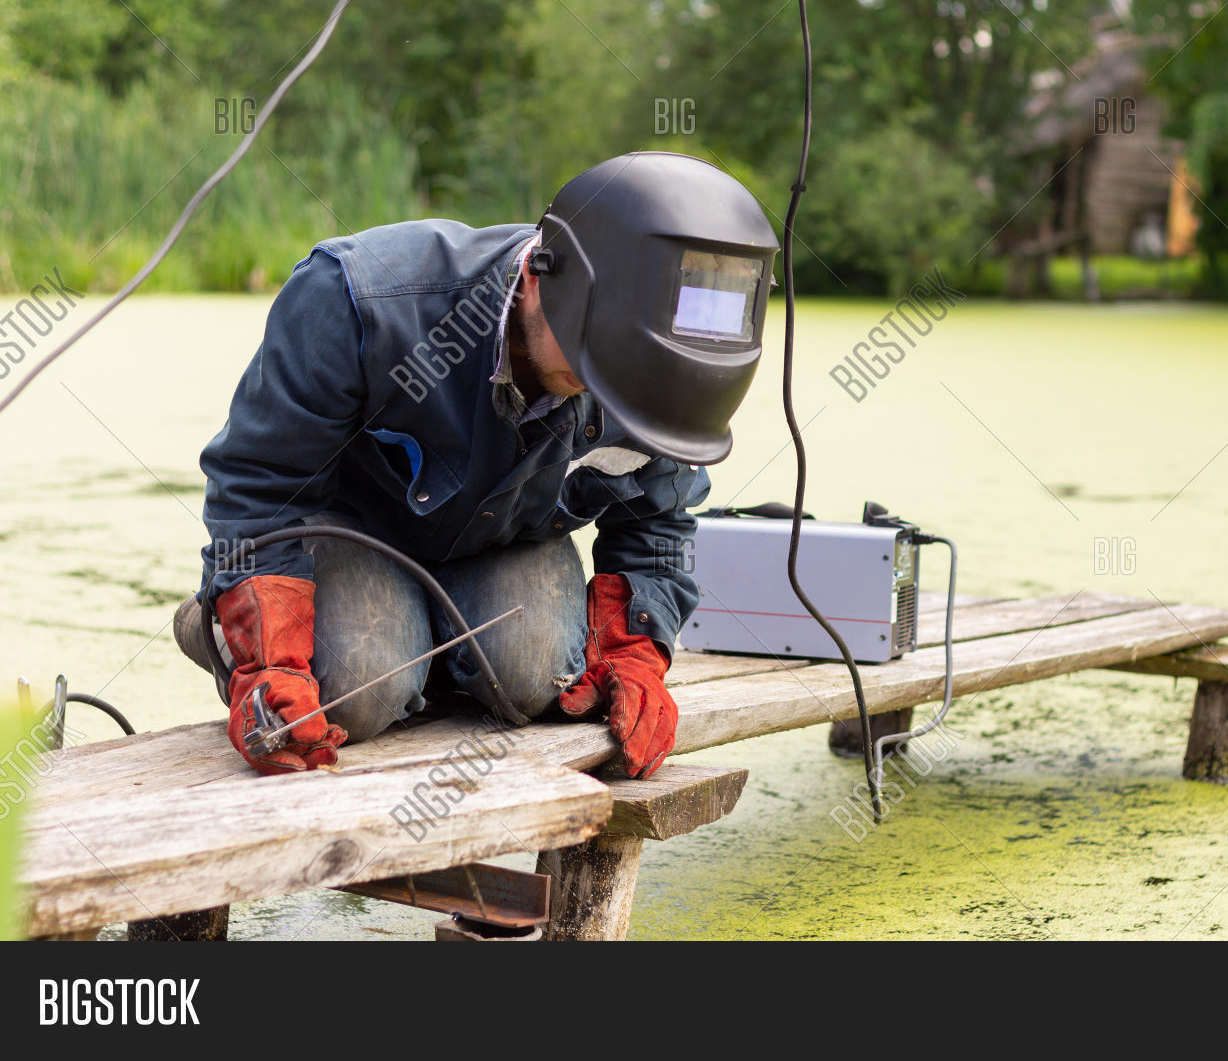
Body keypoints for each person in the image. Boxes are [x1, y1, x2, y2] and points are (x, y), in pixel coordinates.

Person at [172, 152, 779, 779]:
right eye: (587, 370)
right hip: (347, 531)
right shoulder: (362, 302)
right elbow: (261, 485)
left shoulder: (662, 383)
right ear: (541, 278)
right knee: (360, 688)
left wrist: (634, 651)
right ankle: (216, 627)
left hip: (506, 536)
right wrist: (271, 660)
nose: (593, 397)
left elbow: (658, 521)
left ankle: (424, 651)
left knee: (538, 674)